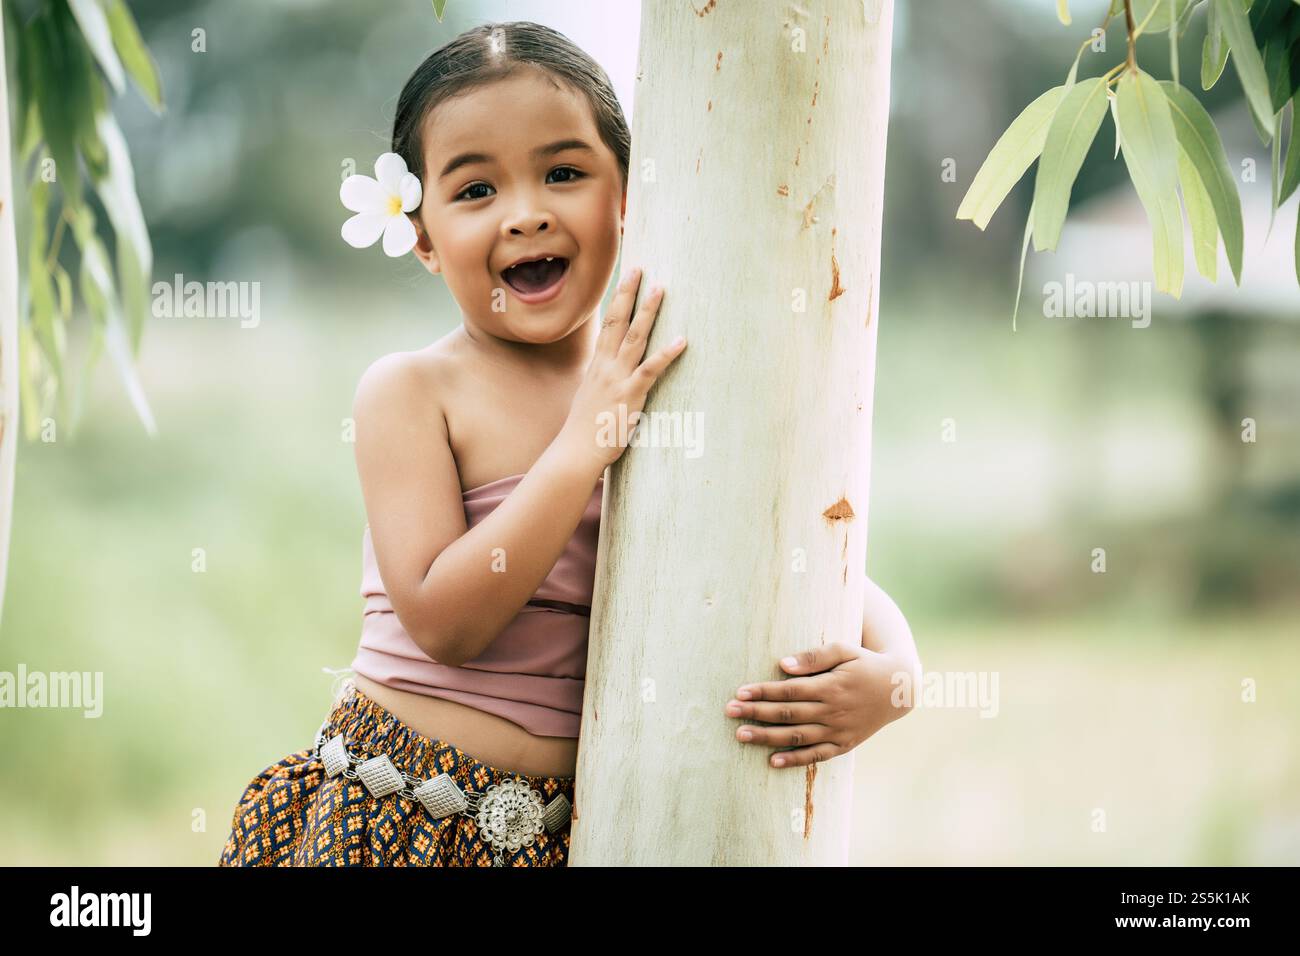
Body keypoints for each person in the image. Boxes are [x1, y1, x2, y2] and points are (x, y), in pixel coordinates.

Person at [218, 19, 919, 868]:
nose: (526, 214)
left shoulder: (657, 377)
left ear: (626, 196)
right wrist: (587, 441)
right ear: (424, 237)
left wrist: (894, 674)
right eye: (476, 190)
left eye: (563, 173)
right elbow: (445, 622)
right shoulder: (411, 392)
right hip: (395, 817)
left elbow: (778, 543)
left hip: (575, 839)